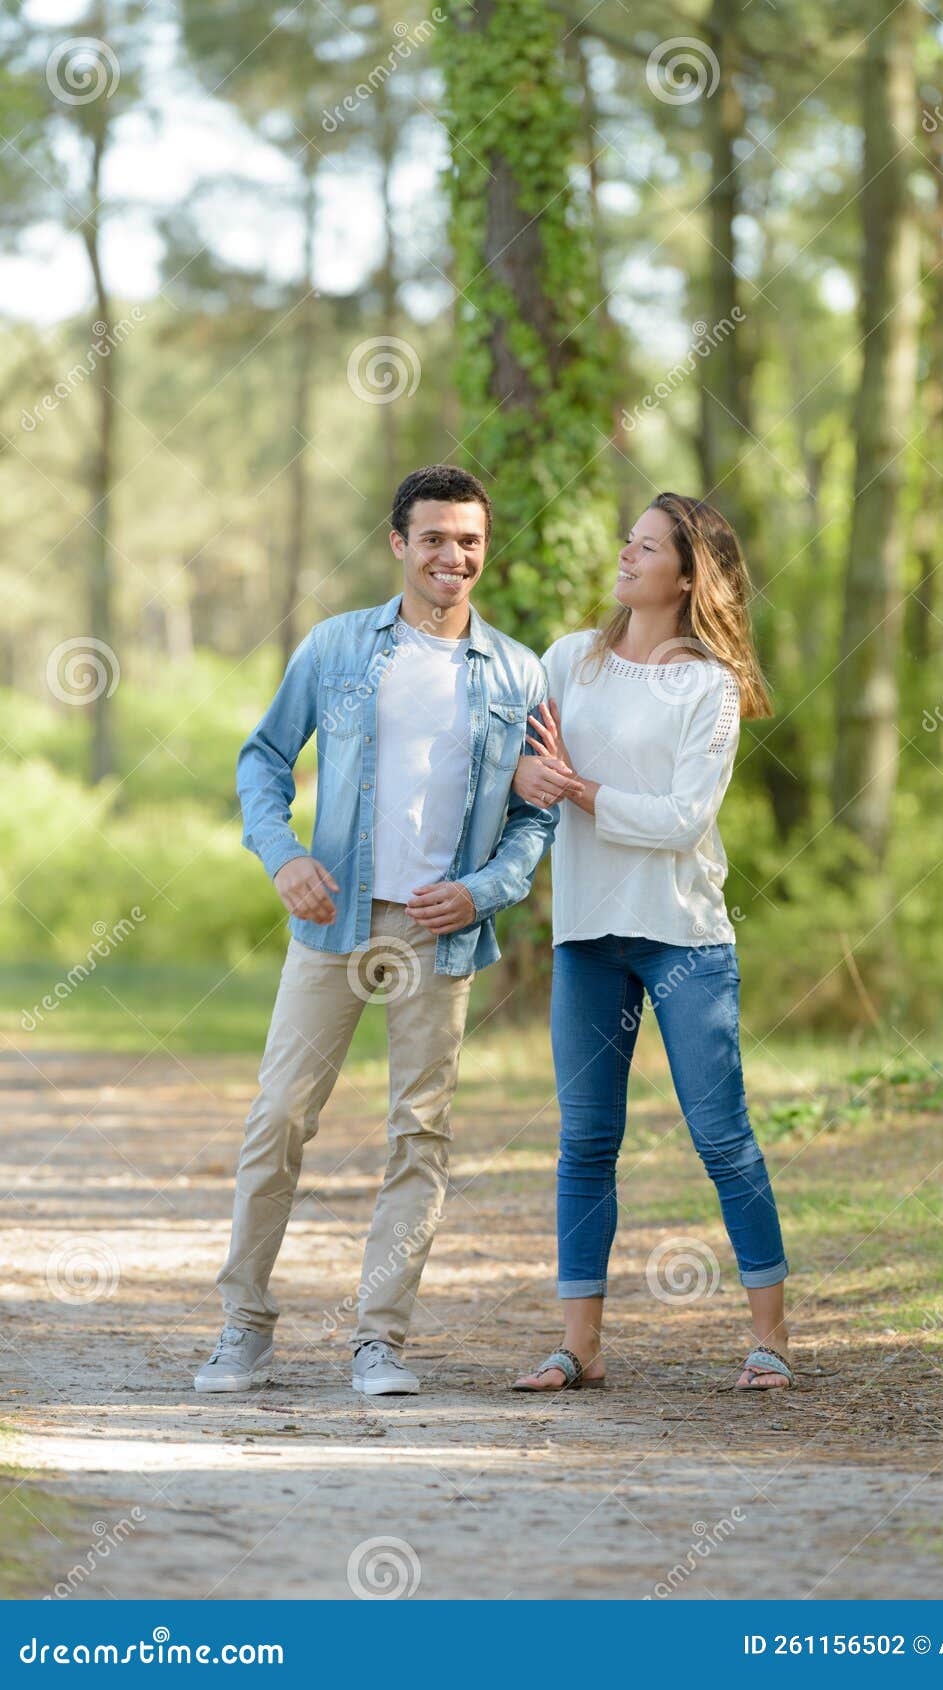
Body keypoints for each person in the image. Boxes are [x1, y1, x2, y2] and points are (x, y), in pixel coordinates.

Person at [195, 465, 557, 1397]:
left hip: (439, 932)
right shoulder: (337, 647)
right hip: (334, 920)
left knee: (420, 1133)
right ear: (399, 544)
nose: (453, 556)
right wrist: (283, 857)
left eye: (469, 540)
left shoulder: (517, 671)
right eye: (434, 537)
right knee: (280, 1116)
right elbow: (263, 759)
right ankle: (243, 1326)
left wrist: (485, 891)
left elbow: (538, 812)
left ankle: (379, 1340)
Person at [511, 493, 793, 1393]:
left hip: (681, 938)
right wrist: (529, 772)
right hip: (586, 933)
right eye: (627, 541)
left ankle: (772, 1340)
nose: (626, 555)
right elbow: (519, 769)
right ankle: (579, 1347)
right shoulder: (571, 661)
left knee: (721, 1137)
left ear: (687, 573)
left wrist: (582, 790)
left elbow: (682, 820)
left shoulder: (708, 685)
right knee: (585, 1141)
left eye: (647, 546)